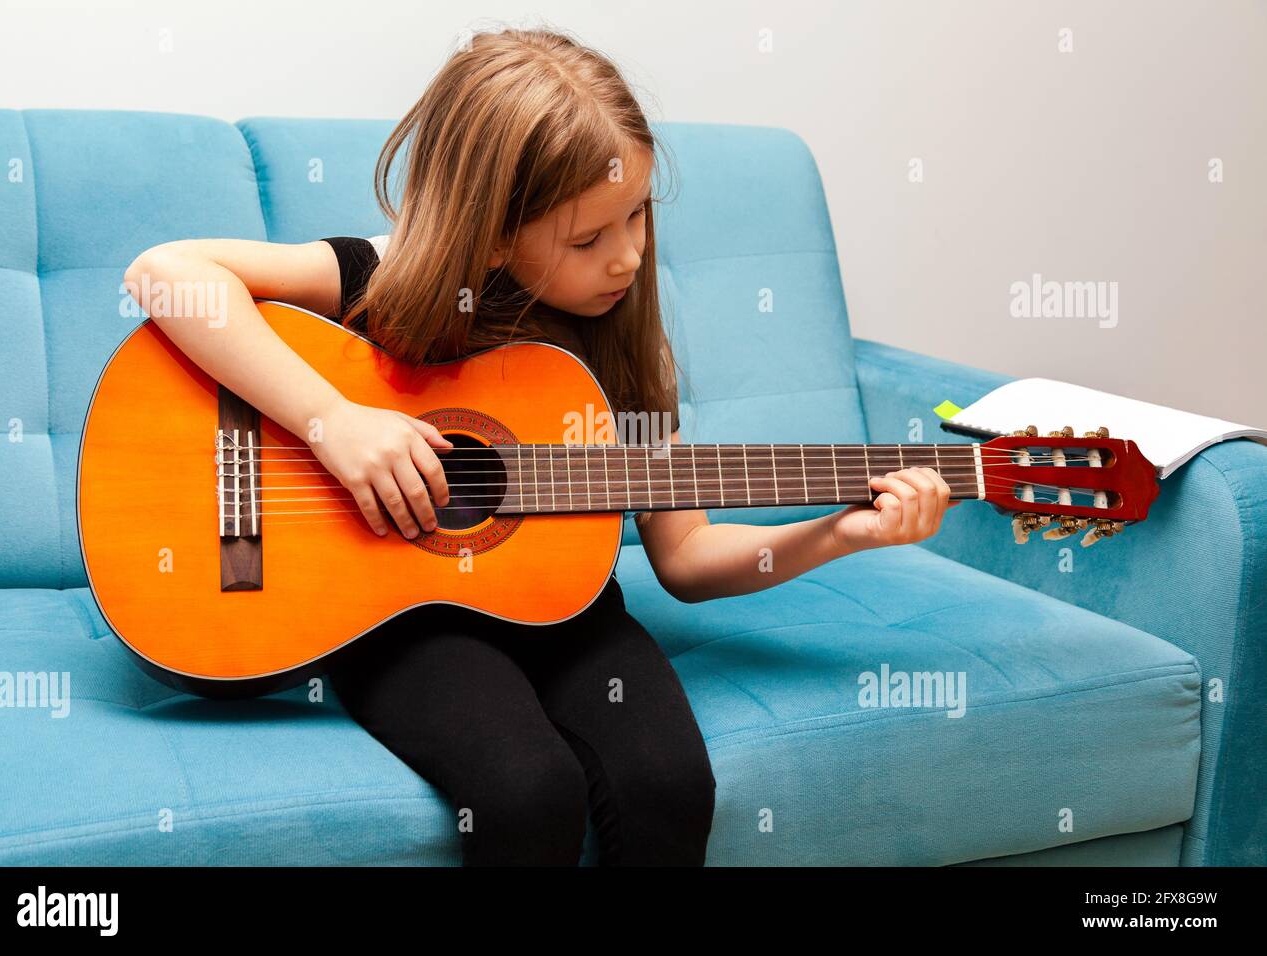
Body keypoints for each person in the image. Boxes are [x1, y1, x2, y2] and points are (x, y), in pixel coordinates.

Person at [125, 26, 956, 866]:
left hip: (570, 611)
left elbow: (689, 555)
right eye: (589, 238)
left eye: (638, 216)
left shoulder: (623, 346)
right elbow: (163, 273)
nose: (628, 256)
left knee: (671, 786)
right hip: (401, 620)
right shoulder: (384, 280)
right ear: (490, 235)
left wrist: (841, 533)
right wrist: (332, 422)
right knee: (526, 793)